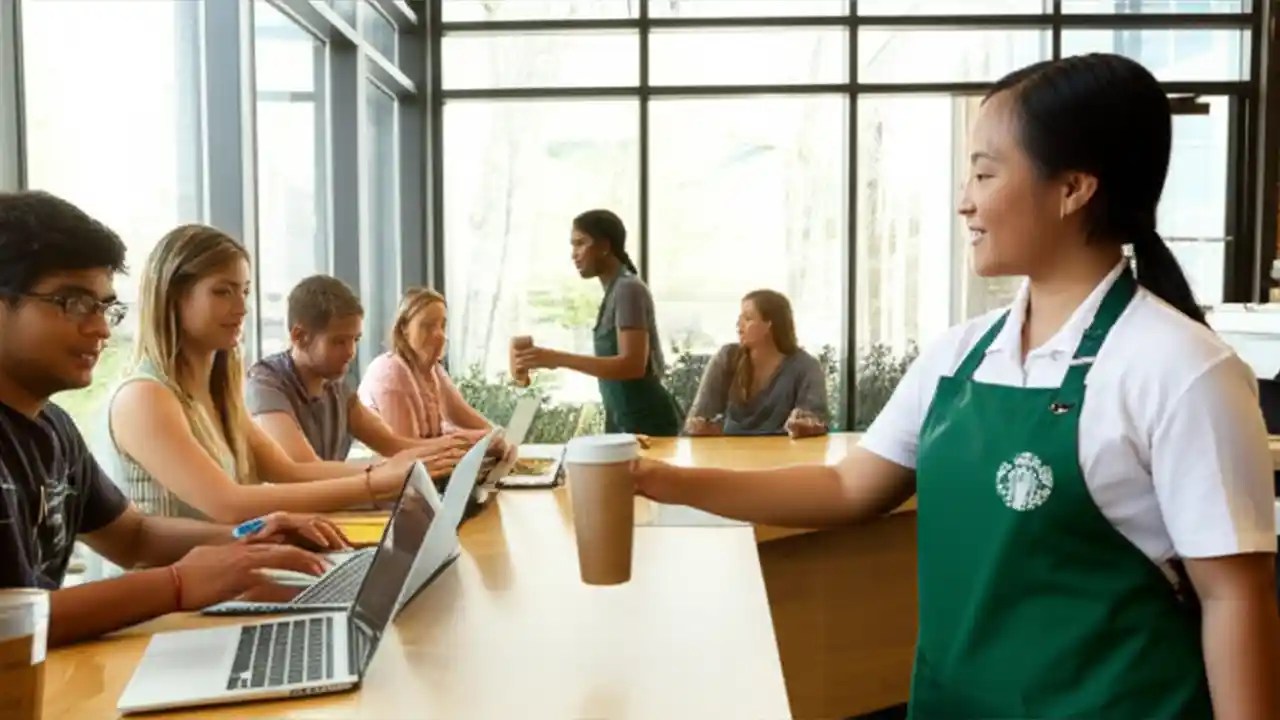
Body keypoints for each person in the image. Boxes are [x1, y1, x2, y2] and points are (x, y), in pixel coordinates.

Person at [632, 54, 1280, 718]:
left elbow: (1236, 598)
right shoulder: (962, 353)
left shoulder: (1181, 369)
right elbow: (849, 486)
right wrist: (661, 479)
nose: (964, 200)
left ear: (1073, 188)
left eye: (984, 172)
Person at [0, 190, 345, 647]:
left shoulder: (54, 428)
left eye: (105, 307)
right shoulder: (142, 395)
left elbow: (135, 536)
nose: (101, 328)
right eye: (73, 302)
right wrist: (177, 585)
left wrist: (246, 537)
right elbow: (10, 619)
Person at [107, 225, 430, 524]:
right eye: (223, 292)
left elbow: (288, 471)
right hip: (181, 582)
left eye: (244, 291)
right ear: (173, 296)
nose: (242, 307)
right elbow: (228, 503)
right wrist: (376, 482)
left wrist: (398, 468)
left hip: (236, 573)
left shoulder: (220, 392)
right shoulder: (144, 397)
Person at [246, 274, 468, 477]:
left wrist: (469, 446)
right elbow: (304, 468)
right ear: (300, 336)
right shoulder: (265, 383)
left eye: (355, 339)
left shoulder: (335, 386)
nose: (351, 352)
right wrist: (390, 470)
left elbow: (394, 445)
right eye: (339, 341)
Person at [513, 210, 682, 436]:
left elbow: (632, 365)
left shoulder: (628, 289)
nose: (574, 254)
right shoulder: (613, 292)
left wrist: (557, 359)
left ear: (604, 245)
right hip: (623, 421)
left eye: (581, 243)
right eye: (572, 246)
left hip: (650, 424)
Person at [356, 287, 508, 457]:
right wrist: (477, 440)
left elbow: (468, 419)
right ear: (404, 328)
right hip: (384, 475)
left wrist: (499, 438)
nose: (439, 335)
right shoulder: (390, 372)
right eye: (427, 326)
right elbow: (406, 452)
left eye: (442, 325)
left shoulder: (434, 371)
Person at [684, 289, 828, 438]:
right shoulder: (727, 358)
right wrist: (701, 426)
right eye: (740, 318)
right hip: (729, 455)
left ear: (769, 325)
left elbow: (817, 422)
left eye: (747, 318)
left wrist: (804, 426)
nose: (739, 325)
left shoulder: (806, 366)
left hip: (784, 457)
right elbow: (698, 417)